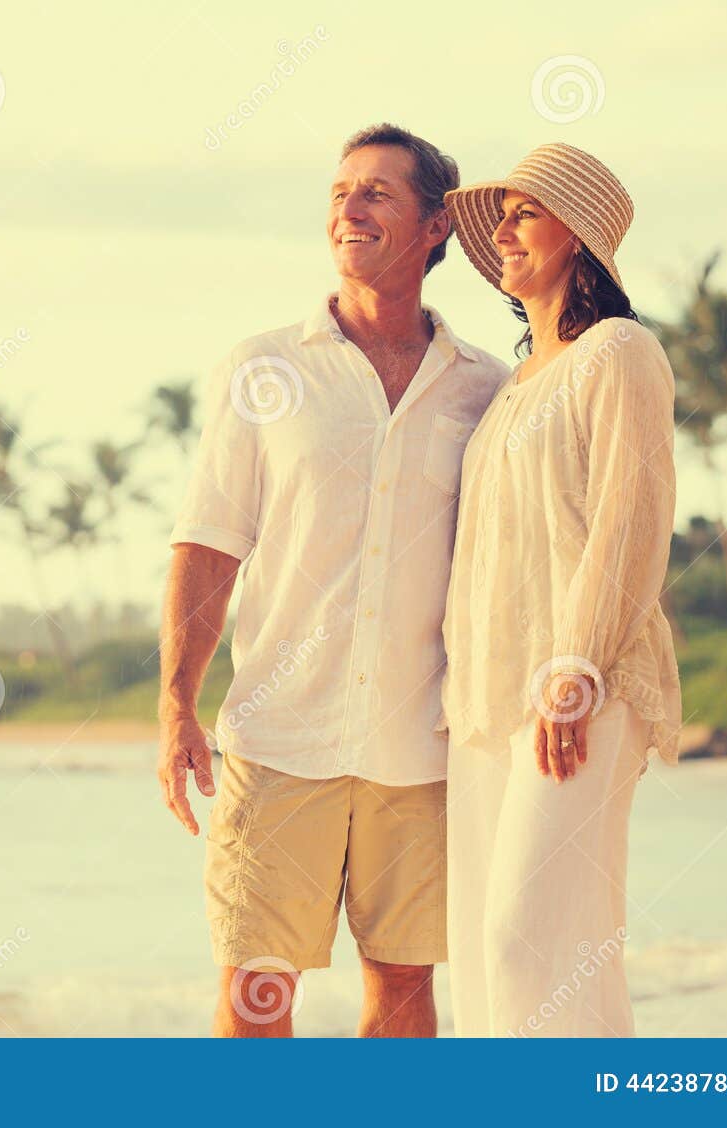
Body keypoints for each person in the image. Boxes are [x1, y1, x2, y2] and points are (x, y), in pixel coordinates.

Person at [157, 123, 508, 1037]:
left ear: (436, 227)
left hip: (422, 745)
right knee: (256, 995)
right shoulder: (264, 370)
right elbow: (208, 545)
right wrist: (175, 707)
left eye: (379, 193)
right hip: (281, 737)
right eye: (340, 191)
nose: (349, 208)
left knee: (404, 993)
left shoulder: (487, 388)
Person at [437, 142, 683, 1036]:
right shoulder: (510, 387)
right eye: (498, 213)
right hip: (487, 701)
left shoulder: (619, 352)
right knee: (508, 956)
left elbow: (629, 518)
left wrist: (574, 668)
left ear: (576, 237)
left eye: (524, 210)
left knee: (526, 941)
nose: (502, 227)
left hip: (581, 685)